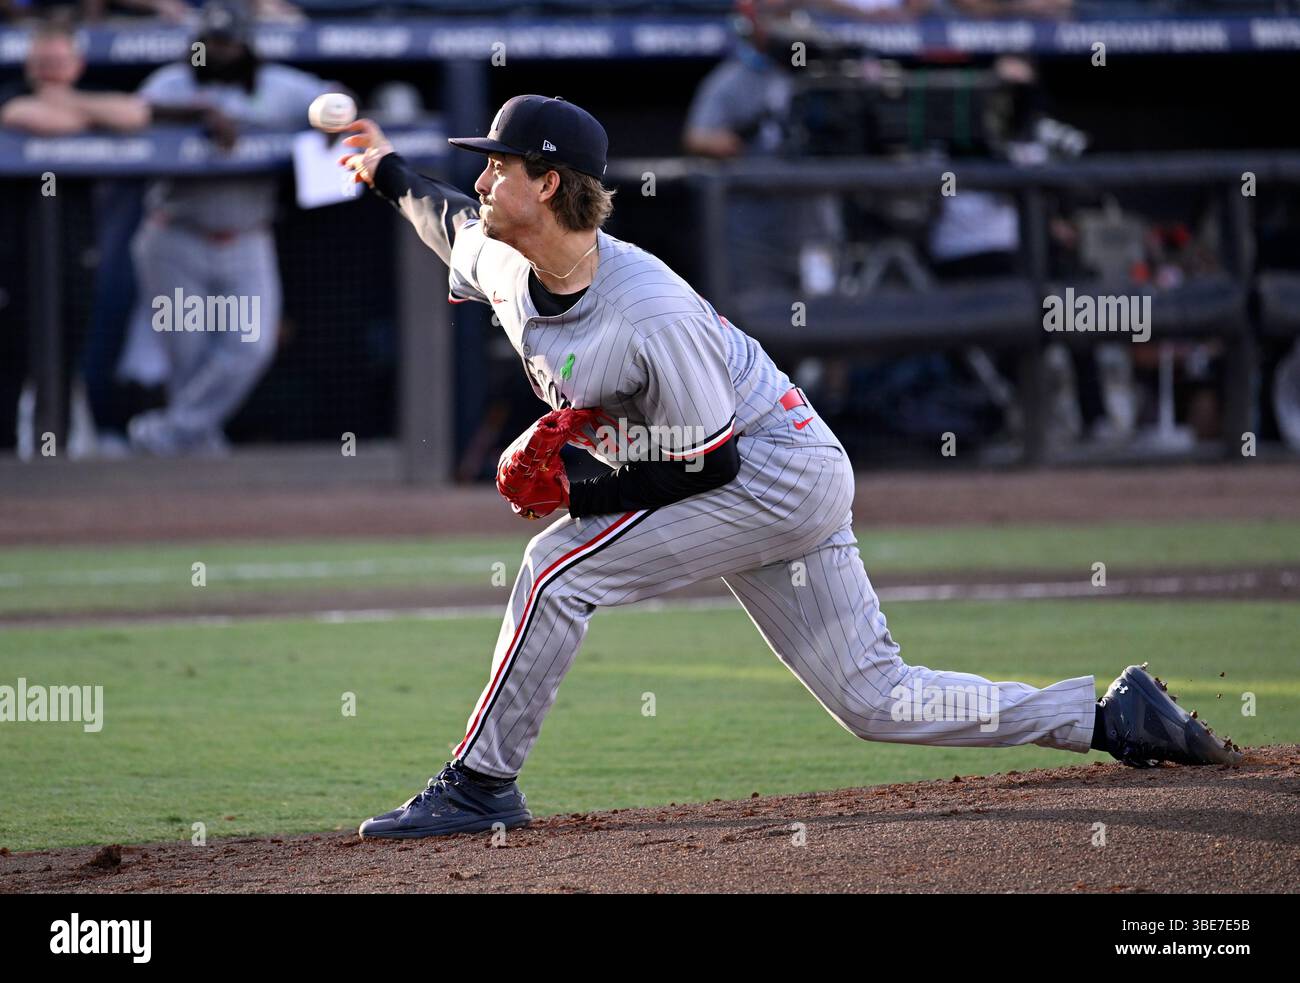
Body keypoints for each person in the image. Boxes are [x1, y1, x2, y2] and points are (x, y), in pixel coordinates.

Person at [342, 94, 1240, 839]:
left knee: (553, 574)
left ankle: (480, 783)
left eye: (499, 164)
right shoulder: (507, 257)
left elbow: (706, 462)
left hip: (769, 469)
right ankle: (1108, 716)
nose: (482, 176)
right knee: (875, 699)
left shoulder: (648, 310)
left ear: (548, 183)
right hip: (754, 472)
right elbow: (447, 220)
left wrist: (586, 491)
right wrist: (385, 172)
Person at [118, 0, 333, 455]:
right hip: (175, 235)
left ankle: (166, 435)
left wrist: (330, 117)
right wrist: (196, 114)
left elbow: (332, 97)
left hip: (247, 237)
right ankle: (200, 462)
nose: (221, 52)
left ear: (247, 46)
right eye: (212, 42)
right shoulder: (172, 82)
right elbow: (133, 112)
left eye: (230, 43)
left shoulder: (278, 85)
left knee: (250, 347)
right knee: (187, 358)